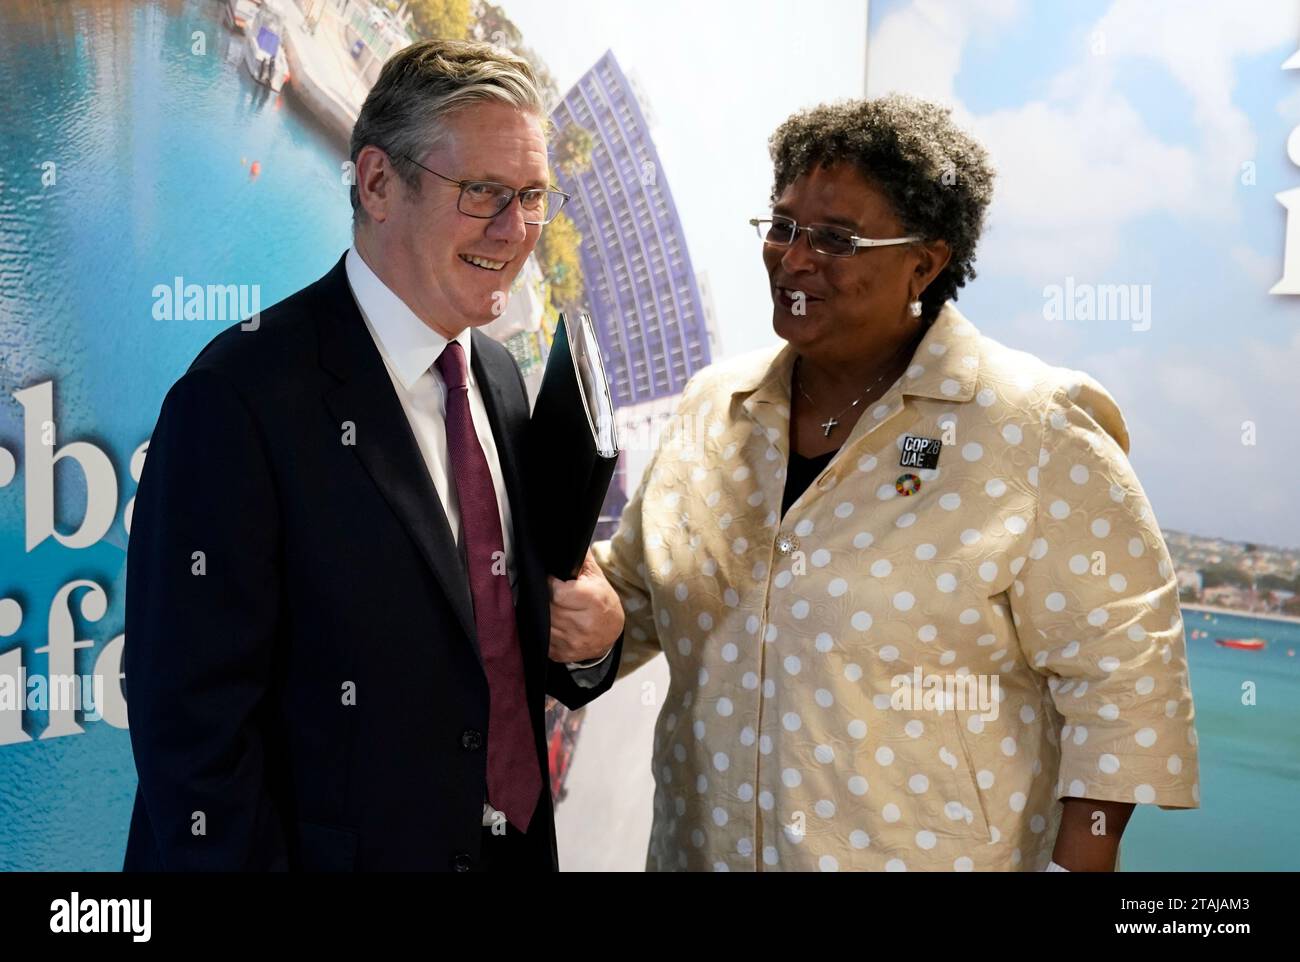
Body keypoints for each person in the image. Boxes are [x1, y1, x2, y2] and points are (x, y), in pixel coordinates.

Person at [594, 95, 1200, 871]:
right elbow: (638, 601)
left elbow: (1123, 685)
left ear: (927, 260)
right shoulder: (715, 407)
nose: (796, 259)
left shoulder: (1036, 426)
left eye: (837, 239)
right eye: (782, 227)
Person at [123, 39, 625, 872]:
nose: (516, 230)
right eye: (483, 193)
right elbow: (195, 751)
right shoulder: (236, 402)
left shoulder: (498, 377)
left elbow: (503, 652)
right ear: (378, 183)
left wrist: (594, 641)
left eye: (533, 196)